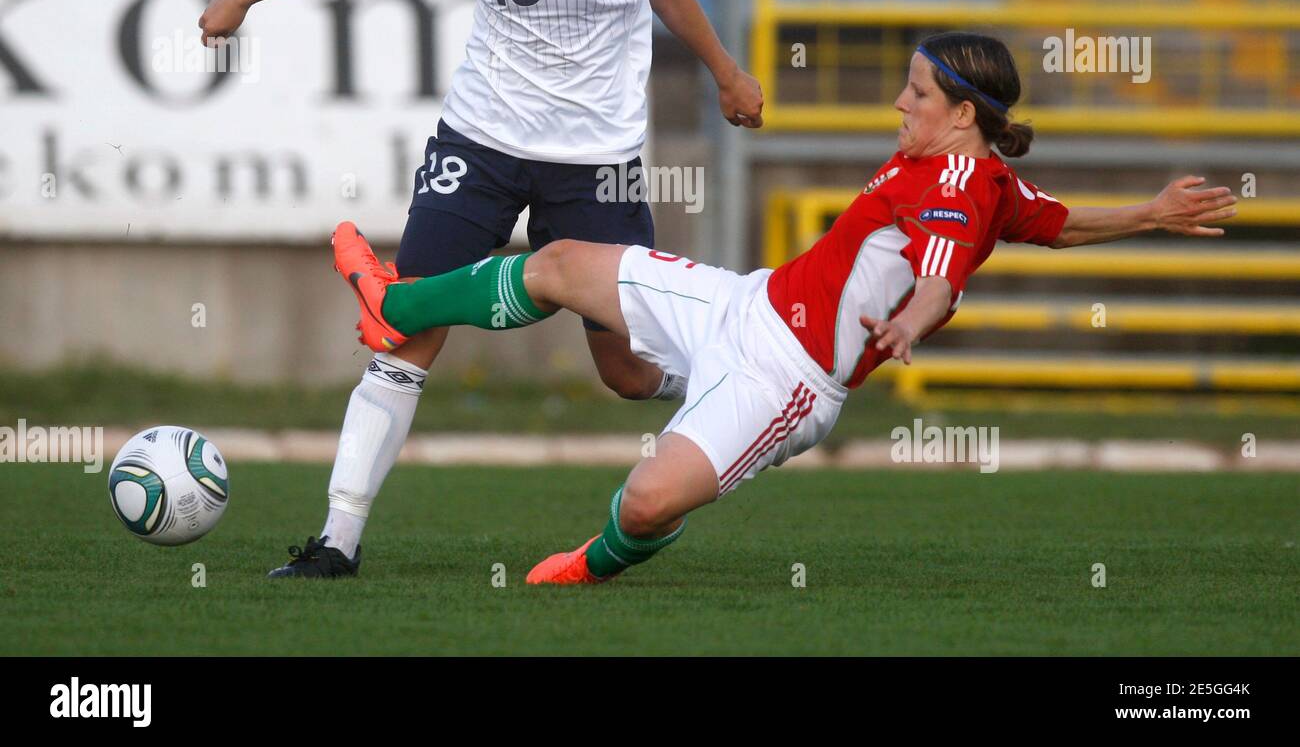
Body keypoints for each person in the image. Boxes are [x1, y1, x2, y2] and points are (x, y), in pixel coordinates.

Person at [325, 31, 1238, 584]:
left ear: (961, 112)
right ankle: (392, 301)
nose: (899, 101)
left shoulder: (957, 180)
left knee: (643, 505)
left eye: (915, 92)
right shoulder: (985, 175)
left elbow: (941, 270)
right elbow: (1053, 224)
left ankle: (595, 563)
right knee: (561, 261)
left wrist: (917, 319)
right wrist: (1150, 214)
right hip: (745, 303)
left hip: (787, 384)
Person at [198, 0, 764, 578]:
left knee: (625, 370)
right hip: (480, 145)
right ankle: (336, 541)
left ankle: (746, 387)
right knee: (405, 325)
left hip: (595, 162)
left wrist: (727, 71)